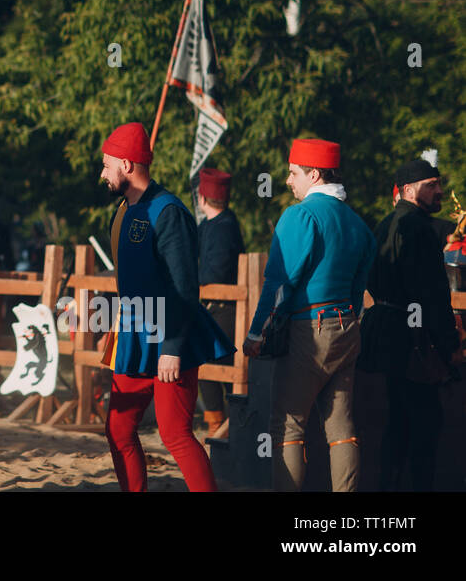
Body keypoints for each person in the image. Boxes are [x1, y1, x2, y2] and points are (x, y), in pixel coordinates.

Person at [97, 122, 232, 492]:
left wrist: (172, 349)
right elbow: (129, 282)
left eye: (107, 165)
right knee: (119, 428)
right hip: (134, 333)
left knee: (175, 434)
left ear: (127, 165)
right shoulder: (124, 210)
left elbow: (184, 287)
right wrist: (114, 329)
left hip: (172, 333)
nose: (102, 173)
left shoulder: (168, 211)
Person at [244, 138, 375, 492]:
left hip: (308, 329)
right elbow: (358, 288)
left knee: (287, 426)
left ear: (314, 174)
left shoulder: (299, 215)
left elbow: (280, 284)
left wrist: (257, 333)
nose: (288, 181)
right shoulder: (358, 224)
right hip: (347, 326)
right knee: (342, 430)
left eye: (293, 173)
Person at [359, 158, 458, 490]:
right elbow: (431, 294)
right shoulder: (419, 228)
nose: (439, 191)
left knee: (398, 423)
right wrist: (447, 345)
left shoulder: (384, 224)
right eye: (432, 185)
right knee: (425, 426)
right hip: (410, 337)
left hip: (385, 331)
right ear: (408, 189)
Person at [195, 167, 244, 432]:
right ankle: (217, 424)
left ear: (203, 198)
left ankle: (223, 427)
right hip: (211, 309)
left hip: (225, 311)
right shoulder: (208, 225)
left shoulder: (225, 227)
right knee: (204, 364)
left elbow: (216, 272)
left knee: (216, 366)